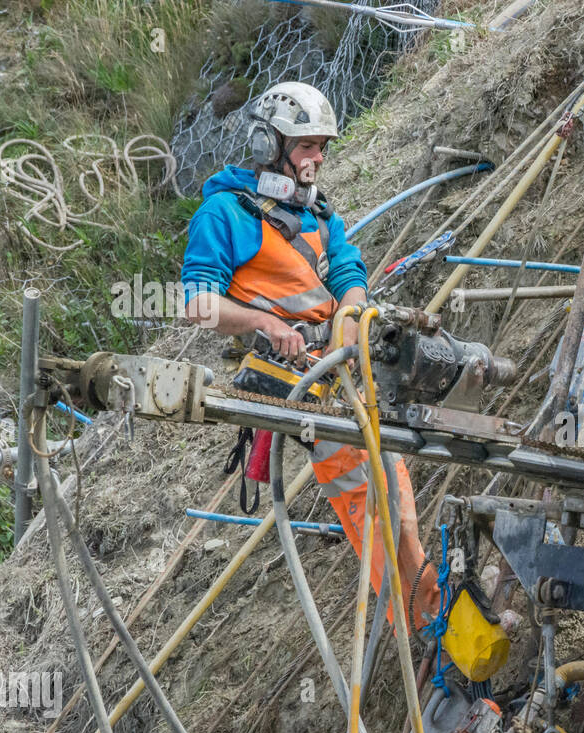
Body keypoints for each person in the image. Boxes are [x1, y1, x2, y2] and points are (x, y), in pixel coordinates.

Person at [181, 81, 438, 630]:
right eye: (306, 146)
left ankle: (426, 617)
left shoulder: (318, 212)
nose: (318, 157)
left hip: (343, 373)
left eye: (322, 145)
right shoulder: (226, 214)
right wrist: (266, 323)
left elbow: (348, 270)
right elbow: (197, 304)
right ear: (267, 145)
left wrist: (349, 311)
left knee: (396, 496)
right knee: (373, 500)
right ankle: (423, 625)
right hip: (300, 382)